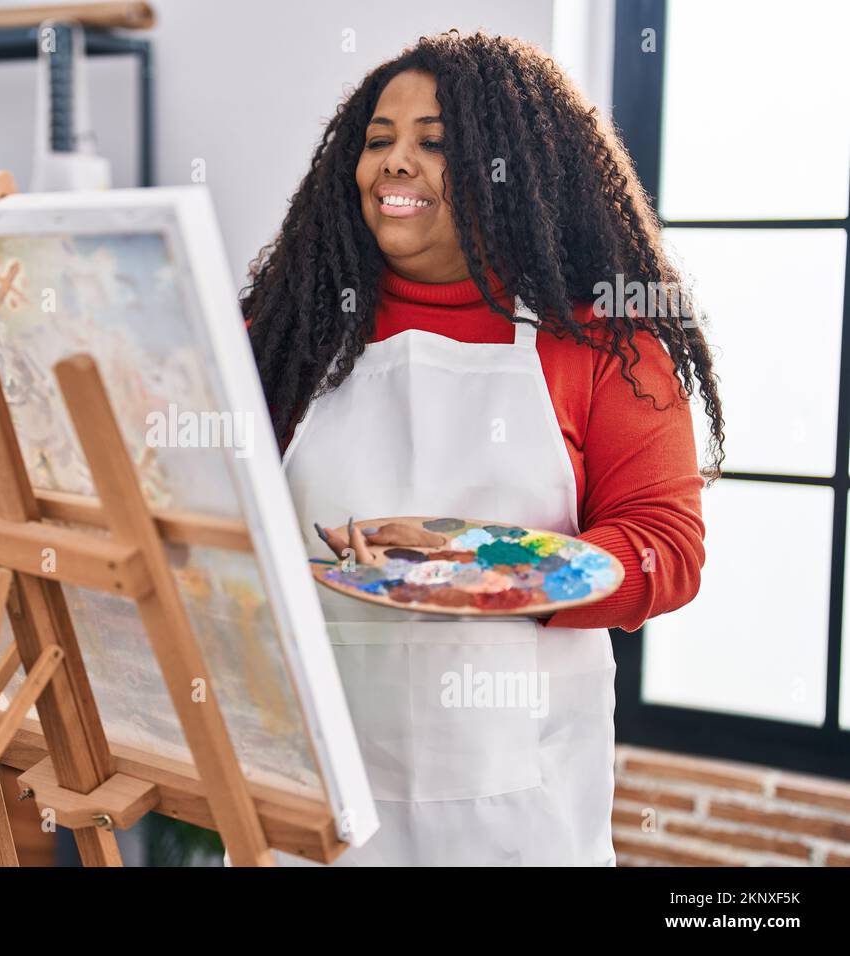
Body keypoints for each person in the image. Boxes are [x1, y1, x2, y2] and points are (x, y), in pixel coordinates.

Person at [242, 32, 719, 866]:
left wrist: (476, 571)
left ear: (517, 172)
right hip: (316, 796)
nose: (394, 163)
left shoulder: (604, 343)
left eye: (434, 143)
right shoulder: (287, 335)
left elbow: (666, 552)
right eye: (378, 141)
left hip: (515, 810)